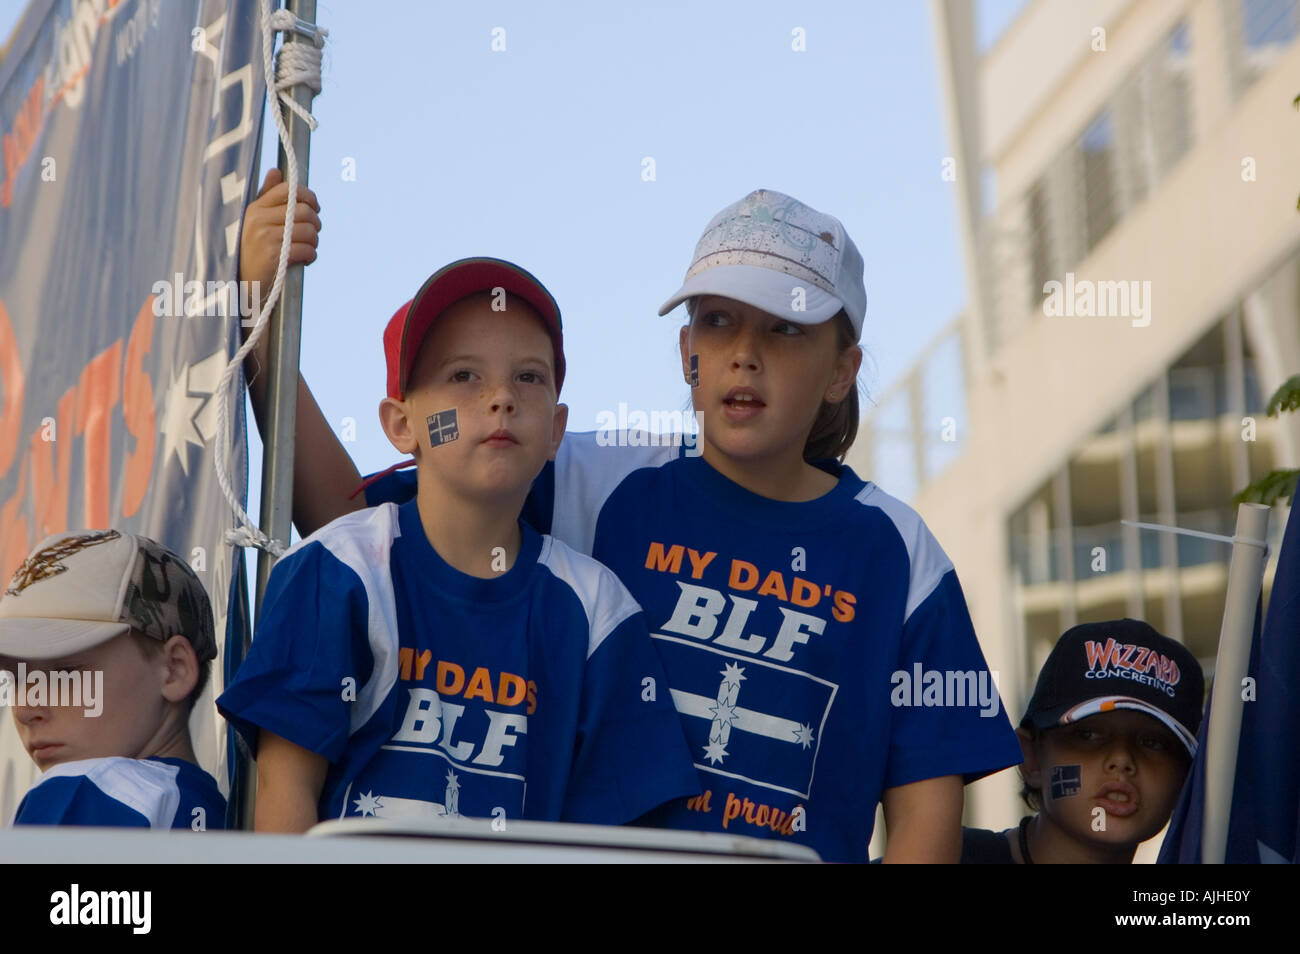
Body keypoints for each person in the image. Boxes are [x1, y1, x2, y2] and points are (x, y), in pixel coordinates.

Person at [238, 186, 1022, 861]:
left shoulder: (900, 551)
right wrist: (261, 311)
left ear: (842, 369)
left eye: (785, 328)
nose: (744, 355)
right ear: (687, 352)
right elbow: (354, 524)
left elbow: (926, 811)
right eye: (718, 322)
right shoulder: (597, 476)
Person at [217, 257, 699, 832]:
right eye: (464, 376)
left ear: (556, 431)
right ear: (402, 426)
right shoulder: (337, 570)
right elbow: (284, 789)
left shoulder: (598, 611)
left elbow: (614, 836)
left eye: (529, 377)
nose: (501, 397)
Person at [0, 530, 225, 830]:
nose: (26, 710)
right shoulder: (222, 815)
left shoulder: (87, 788)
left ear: (174, 669)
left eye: (66, 674)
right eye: (18, 678)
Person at [960, 619, 1203, 863]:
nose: (1121, 759)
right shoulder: (939, 853)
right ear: (1031, 758)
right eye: (1088, 735)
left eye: (1153, 743)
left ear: (1185, 780)